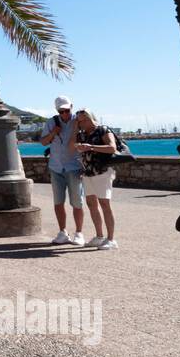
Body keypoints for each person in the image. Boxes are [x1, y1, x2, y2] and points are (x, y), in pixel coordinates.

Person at [39, 96, 85, 246]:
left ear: (72, 106)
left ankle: (79, 233)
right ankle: (63, 232)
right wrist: (53, 132)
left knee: (77, 201)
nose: (65, 113)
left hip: (74, 166)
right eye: (61, 111)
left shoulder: (78, 120)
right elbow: (43, 142)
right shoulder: (51, 122)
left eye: (67, 110)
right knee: (58, 202)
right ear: (57, 110)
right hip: (56, 167)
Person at [74, 109, 119, 250]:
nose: (82, 122)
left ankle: (111, 239)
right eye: (79, 120)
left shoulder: (103, 130)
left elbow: (112, 148)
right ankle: (99, 236)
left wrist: (91, 147)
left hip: (103, 172)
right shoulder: (81, 135)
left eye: (84, 119)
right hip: (88, 173)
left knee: (105, 204)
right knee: (92, 204)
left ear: (91, 118)